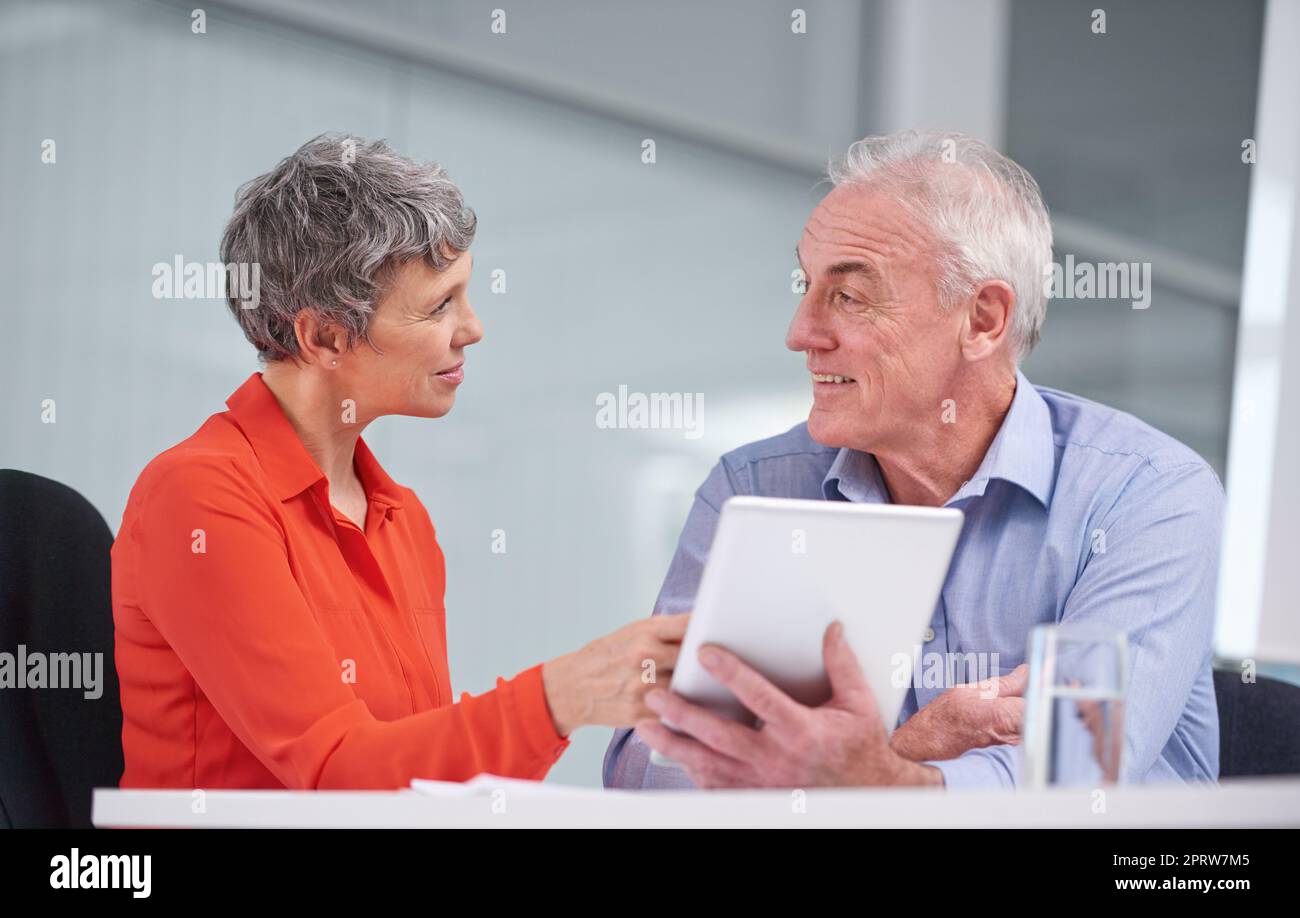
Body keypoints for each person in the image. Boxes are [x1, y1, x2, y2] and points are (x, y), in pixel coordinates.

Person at [605, 130, 1222, 790]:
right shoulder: (753, 487)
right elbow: (650, 775)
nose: (800, 333)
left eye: (847, 296)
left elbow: (1076, 774)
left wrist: (864, 779)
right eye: (807, 286)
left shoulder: (1145, 495)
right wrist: (911, 750)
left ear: (982, 319)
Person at [112, 134, 686, 790]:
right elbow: (337, 773)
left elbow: (411, 776)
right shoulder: (198, 495)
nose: (472, 328)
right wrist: (559, 697)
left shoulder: (400, 517)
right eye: (440, 304)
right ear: (326, 337)